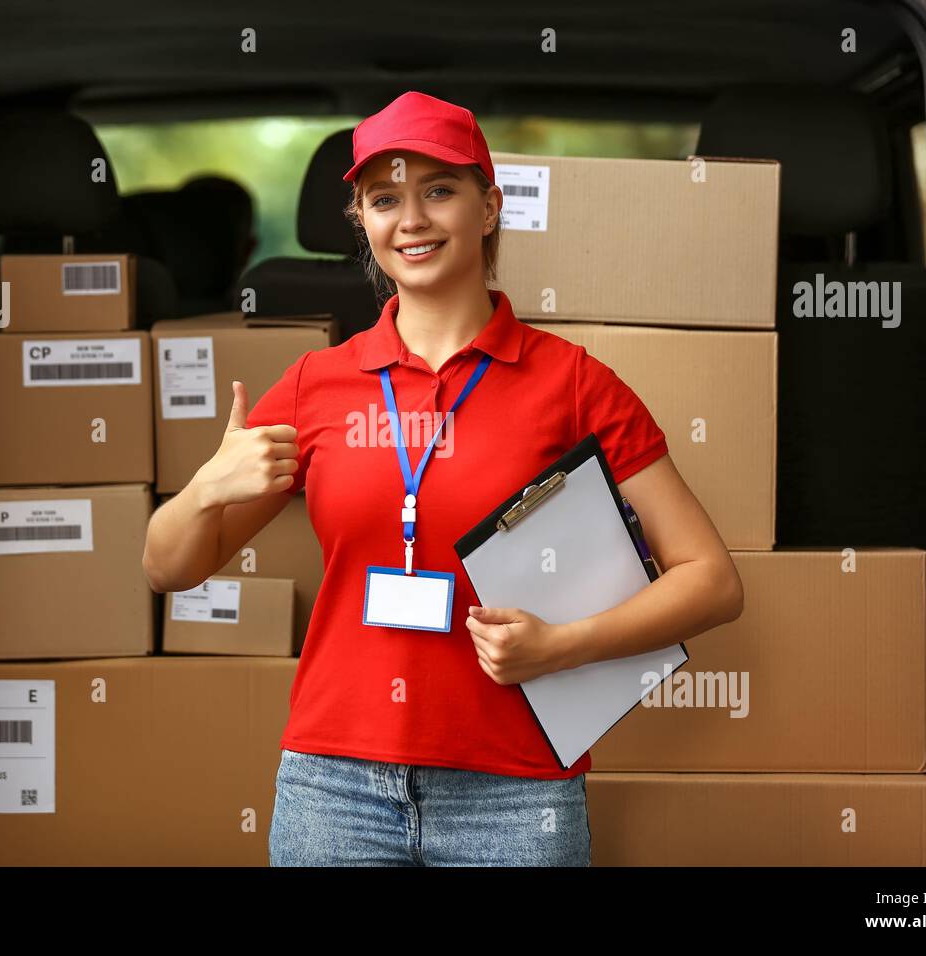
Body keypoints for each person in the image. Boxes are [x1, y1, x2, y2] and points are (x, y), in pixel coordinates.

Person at [142, 91, 744, 867]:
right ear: (362, 220)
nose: (412, 219)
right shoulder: (315, 386)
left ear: (488, 207)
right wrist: (204, 489)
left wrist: (563, 646)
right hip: (335, 789)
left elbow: (714, 582)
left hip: (516, 793)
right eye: (385, 199)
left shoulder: (571, 383)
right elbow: (166, 568)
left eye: (439, 190)